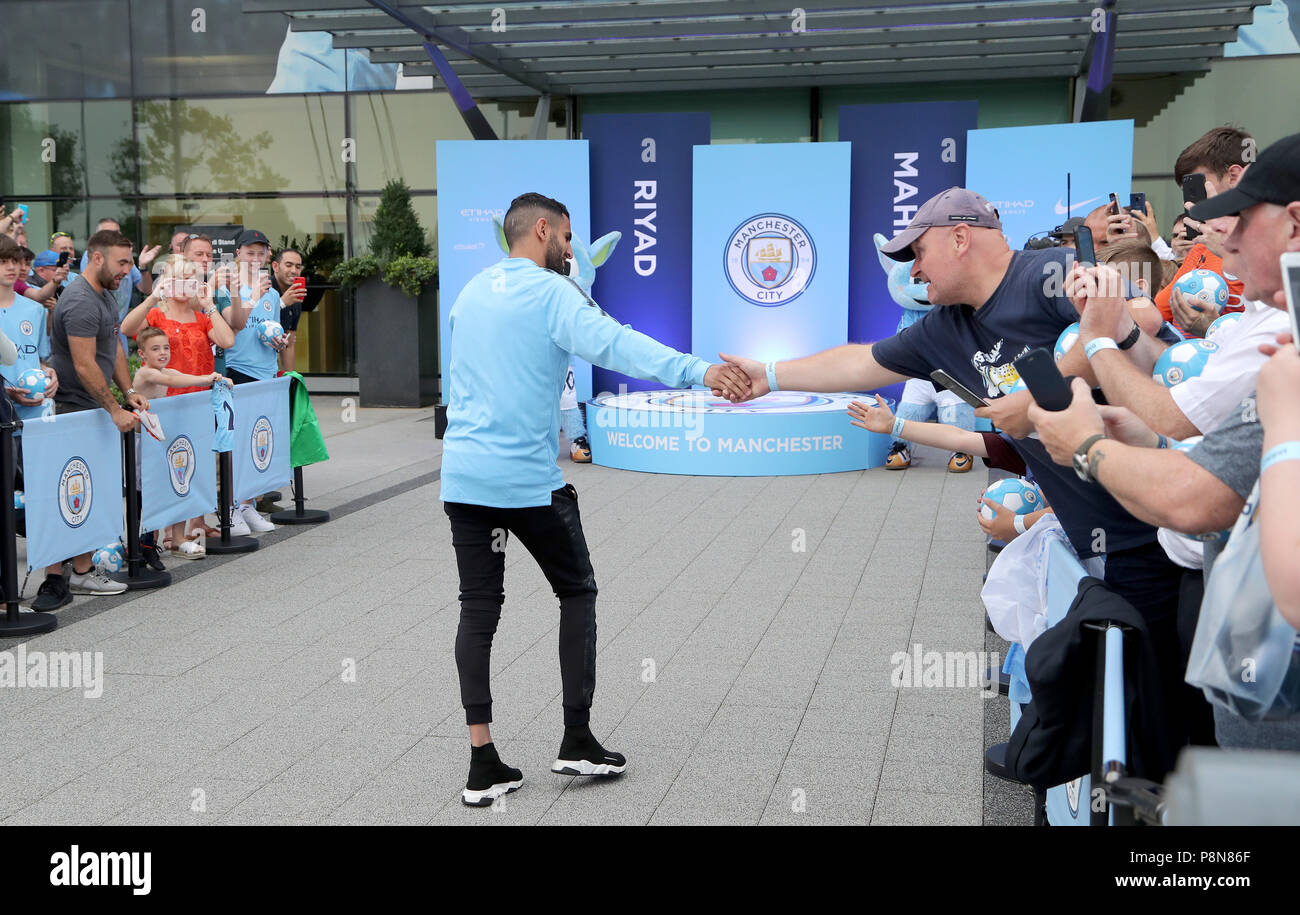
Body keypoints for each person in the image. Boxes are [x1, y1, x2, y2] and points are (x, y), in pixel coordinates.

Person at [723, 186, 1198, 756]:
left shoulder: (1050, 273)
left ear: (960, 236)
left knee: (1169, 711)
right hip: (1088, 539)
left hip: (1154, 532)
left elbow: (1124, 325)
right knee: (1122, 708)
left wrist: (1032, 395)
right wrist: (769, 374)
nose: (915, 270)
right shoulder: (942, 327)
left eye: (918, 252)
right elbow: (861, 360)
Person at [442, 192, 749, 807]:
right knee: (576, 591)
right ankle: (576, 739)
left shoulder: (471, 292)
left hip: (464, 478)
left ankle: (484, 763)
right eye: (565, 238)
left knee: (479, 610)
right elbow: (617, 345)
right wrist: (700, 372)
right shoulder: (555, 293)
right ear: (543, 229)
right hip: (527, 483)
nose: (568, 251)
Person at [1029, 131, 1300, 749]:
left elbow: (1198, 494)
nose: (1221, 237)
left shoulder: (1286, 353)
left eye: (1240, 221)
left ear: (1294, 225)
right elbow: (1185, 421)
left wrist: (1087, 443)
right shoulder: (1274, 331)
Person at [31, 228, 149, 611]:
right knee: (67, 491)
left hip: (91, 408)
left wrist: (128, 393)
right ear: (97, 258)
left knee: (88, 490)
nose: (127, 270)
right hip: (70, 409)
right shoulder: (81, 300)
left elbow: (112, 347)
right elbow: (83, 364)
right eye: (122, 262)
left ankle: (81, 570)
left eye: (130, 262)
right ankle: (55, 576)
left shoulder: (107, 295)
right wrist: (114, 410)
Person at [846, 393, 1051, 542]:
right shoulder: (1025, 442)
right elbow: (958, 437)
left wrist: (1018, 523)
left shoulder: (1077, 450)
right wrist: (894, 426)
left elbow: (1078, 510)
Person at [132, 326, 231, 560]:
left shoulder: (165, 370)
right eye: (155, 349)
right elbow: (171, 381)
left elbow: (176, 376)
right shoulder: (146, 373)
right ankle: (143, 542)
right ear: (142, 354)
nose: (162, 352)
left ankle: (175, 539)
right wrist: (208, 377)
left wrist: (219, 379)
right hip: (141, 443)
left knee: (174, 483)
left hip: (159, 440)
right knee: (145, 491)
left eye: (166, 347)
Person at [219, 228, 289, 535]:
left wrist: (279, 341)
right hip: (237, 371)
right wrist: (254, 295)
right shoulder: (227, 287)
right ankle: (230, 507)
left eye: (261, 253)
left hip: (266, 372)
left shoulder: (272, 292)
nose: (256, 258)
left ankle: (247, 504)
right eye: (250, 252)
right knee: (235, 442)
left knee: (256, 441)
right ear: (238, 254)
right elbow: (233, 328)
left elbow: (269, 328)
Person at [268, 247, 310, 374]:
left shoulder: (296, 296)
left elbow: (289, 342)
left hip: (272, 367)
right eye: (288, 265)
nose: (294, 271)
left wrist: (289, 378)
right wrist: (282, 302)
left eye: (298, 267)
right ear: (275, 266)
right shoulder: (264, 288)